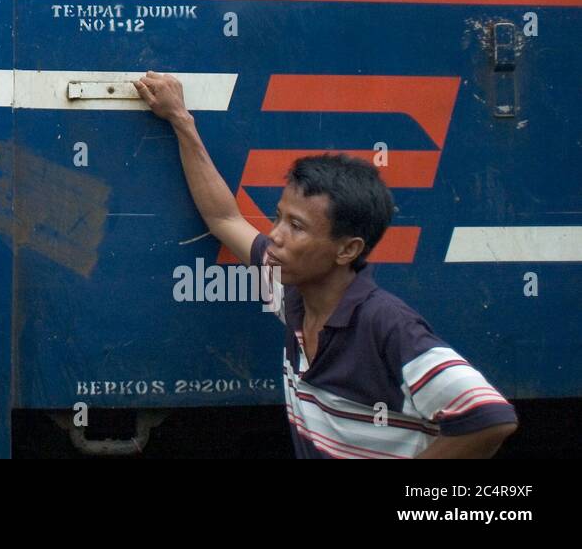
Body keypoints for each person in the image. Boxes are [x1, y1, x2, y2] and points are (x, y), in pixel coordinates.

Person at [136, 71, 519, 458]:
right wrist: (181, 120)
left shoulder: (384, 325)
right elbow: (224, 219)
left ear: (347, 250)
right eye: (279, 218)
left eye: (297, 226)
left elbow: (490, 418)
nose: (278, 236)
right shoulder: (292, 295)